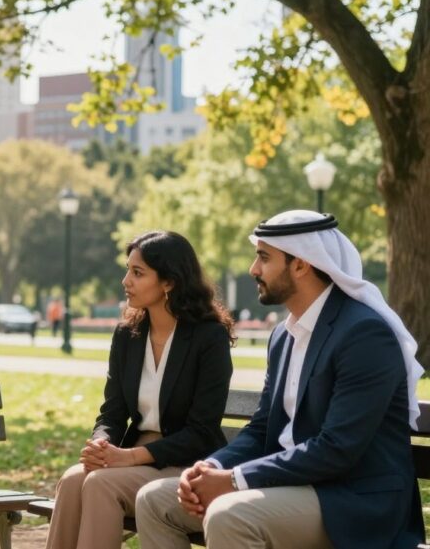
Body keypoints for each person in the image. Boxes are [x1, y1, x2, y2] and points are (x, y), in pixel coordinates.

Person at [136, 210, 425, 549]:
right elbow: (262, 428)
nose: (253, 270)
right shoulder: (283, 336)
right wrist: (211, 466)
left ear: (300, 264)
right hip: (288, 487)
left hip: (352, 500)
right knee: (154, 500)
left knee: (230, 514)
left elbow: (337, 448)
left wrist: (234, 480)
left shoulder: (363, 334)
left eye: (263, 257)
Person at [45, 230, 234, 549]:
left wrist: (128, 457)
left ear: (169, 282)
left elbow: (201, 431)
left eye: (137, 272)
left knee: (101, 484)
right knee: (73, 479)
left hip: (185, 460)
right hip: (132, 456)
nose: (125, 281)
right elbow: (113, 411)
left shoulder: (208, 338)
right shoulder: (127, 335)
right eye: (127, 269)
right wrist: (102, 443)